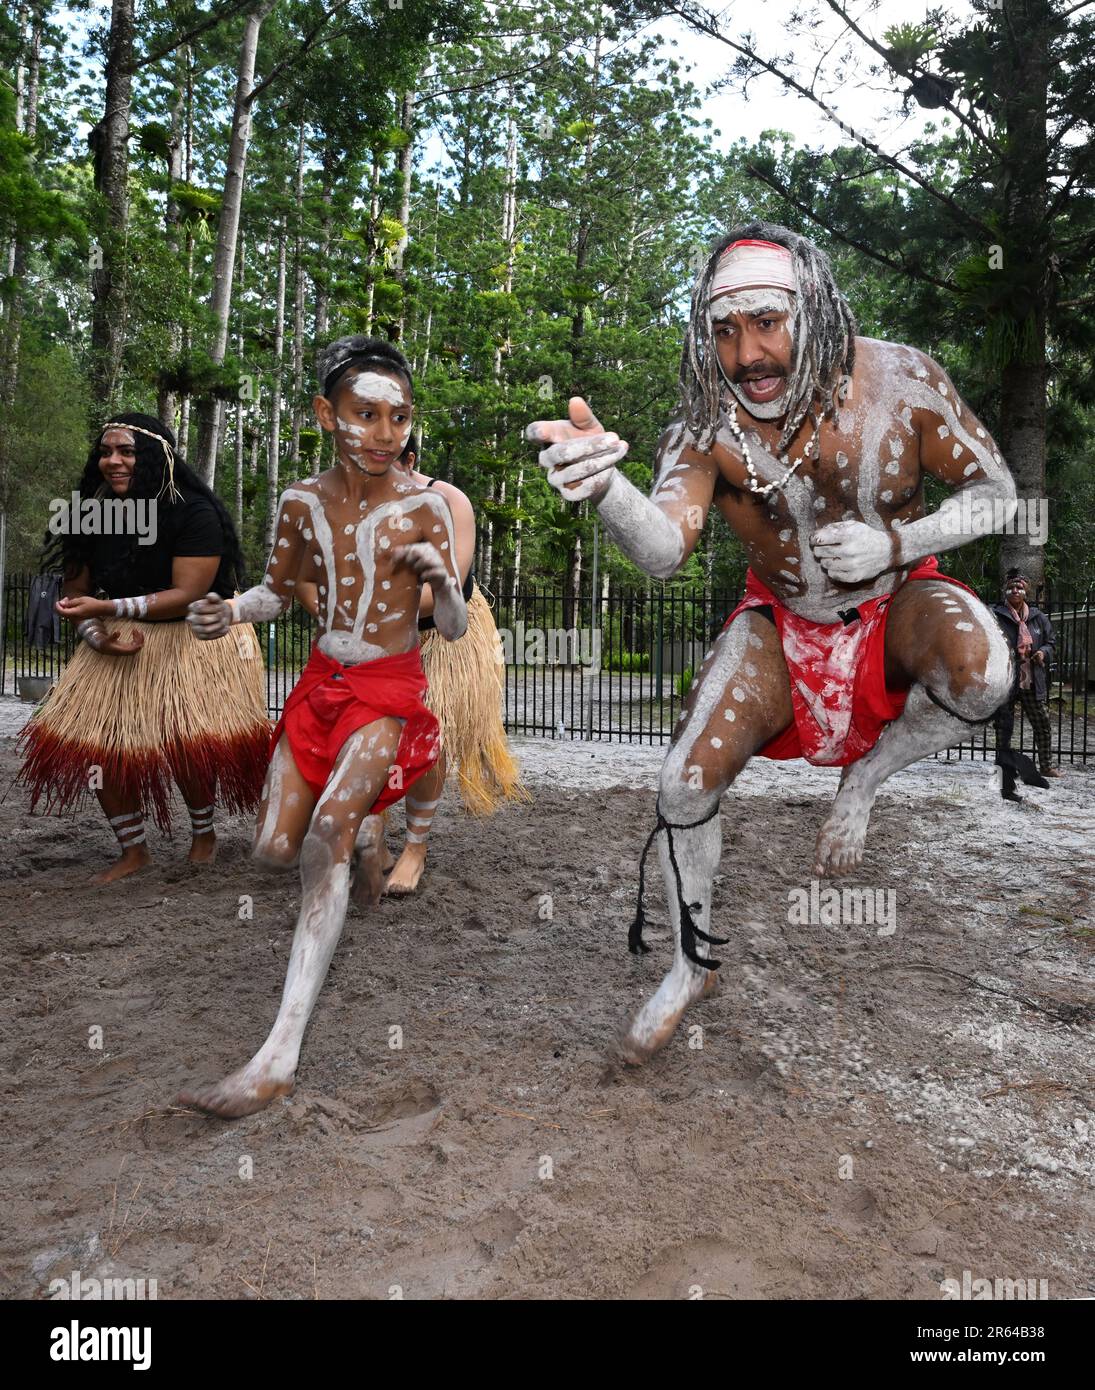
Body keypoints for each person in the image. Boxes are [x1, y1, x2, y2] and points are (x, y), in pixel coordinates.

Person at [528, 223, 1018, 1063]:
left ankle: (866, 778)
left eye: (765, 322)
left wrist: (893, 545)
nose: (746, 352)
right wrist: (604, 487)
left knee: (986, 677)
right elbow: (660, 553)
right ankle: (691, 964)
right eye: (723, 330)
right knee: (682, 785)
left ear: (813, 308)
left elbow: (997, 492)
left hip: (895, 601)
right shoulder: (702, 420)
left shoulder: (900, 377)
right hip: (780, 622)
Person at [177, 336, 467, 1117]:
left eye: (398, 416)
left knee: (321, 840)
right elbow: (276, 591)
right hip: (320, 684)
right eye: (364, 413)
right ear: (325, 414)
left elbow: (456, 626)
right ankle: (369, 829)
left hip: (386, 687)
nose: (383, 431)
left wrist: (443, 583)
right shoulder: (300, 501)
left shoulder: (428, 506)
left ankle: (277, 1055)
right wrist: (230, 611)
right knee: (271, 849)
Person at [18, 413, 269, 883]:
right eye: (106, 451)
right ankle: (133, 851)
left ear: (156, 456)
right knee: (98, 747)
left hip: (189, 636)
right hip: (117, 638)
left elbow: (189, 592)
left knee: (186, 743)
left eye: (127, 452)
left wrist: (110, 607)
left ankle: (203, 836)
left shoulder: (194, 511)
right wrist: (96, 636)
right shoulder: (88, 512)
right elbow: (75, 597)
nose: (112, 461)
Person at [296, 440, 526, 895]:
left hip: (439, 633)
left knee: (430, 735)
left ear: (409, 462)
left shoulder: (448, 501)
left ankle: (416, 848)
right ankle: (374, 835)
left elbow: (450, 586)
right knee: (365, 732)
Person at [991, 568, 1062, 798]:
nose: (1015, 591)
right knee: (1003, 725)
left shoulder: (1038, 617)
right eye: (1011, 587)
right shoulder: (996, 615)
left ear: (1026, 591)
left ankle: (1046, 765)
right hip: (1008, 677)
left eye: (1019, 587)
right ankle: (1003, 767)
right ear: (1006, 590)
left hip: (1032, 678)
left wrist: (1042, 652)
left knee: (1041, 722)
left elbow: (1051, 642)